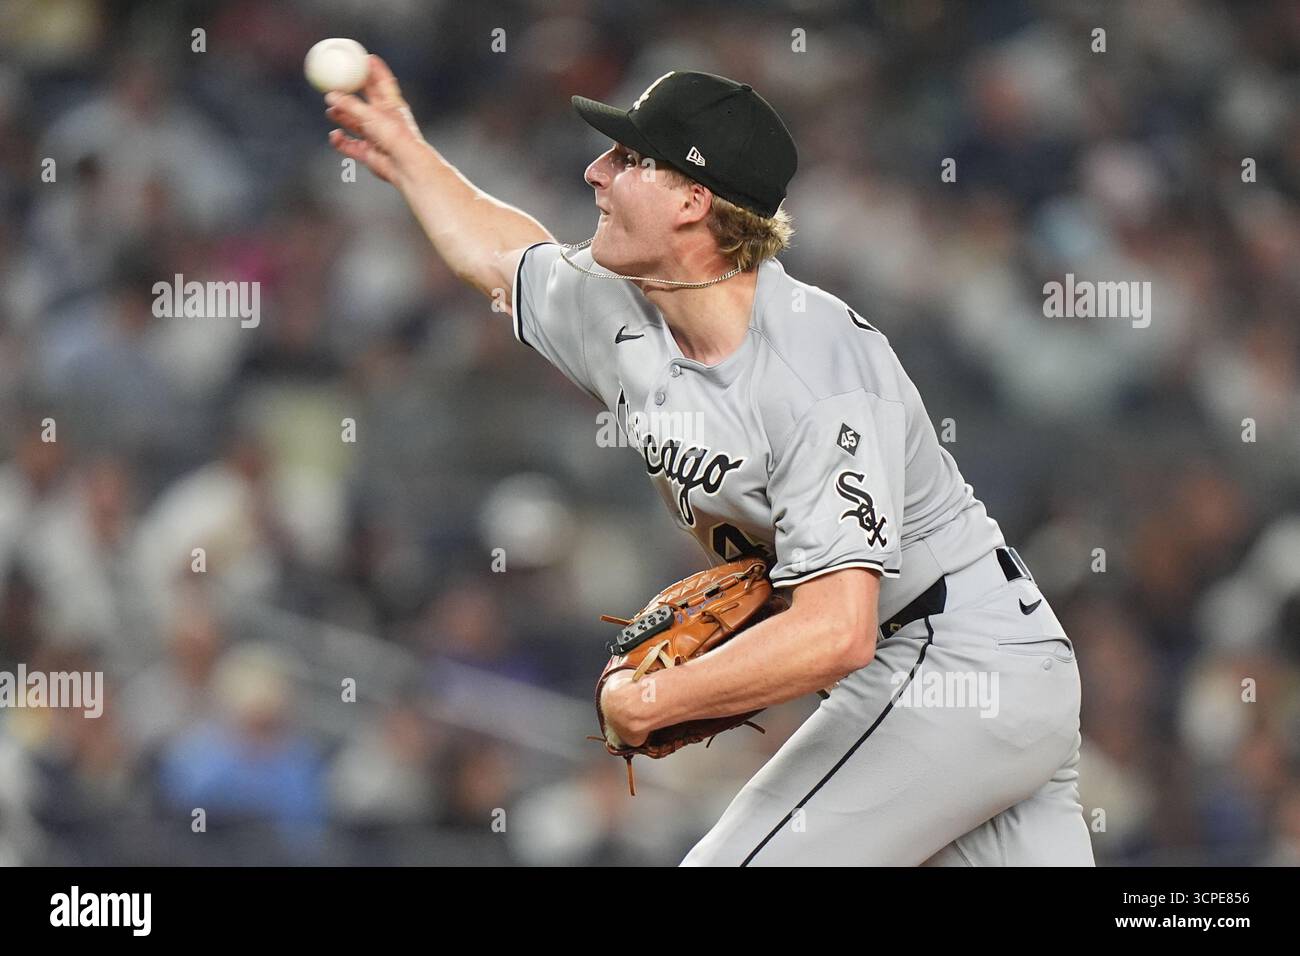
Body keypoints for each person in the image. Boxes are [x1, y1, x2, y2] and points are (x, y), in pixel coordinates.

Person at [325, 60, 1095, 866]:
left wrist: (655, 698)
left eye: (626, 159)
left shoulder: (811, 369)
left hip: (948, 660)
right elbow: (500, 258)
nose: (595, 173)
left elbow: (838, 631)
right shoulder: (620, 303)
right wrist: (408, 151)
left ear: (693, 200)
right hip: (982, 674)